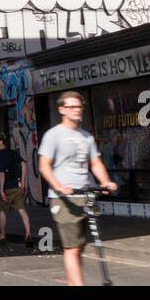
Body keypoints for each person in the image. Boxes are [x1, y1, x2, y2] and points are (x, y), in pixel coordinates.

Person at [38, 91, 118, 286]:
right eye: (72, 107)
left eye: (79, 106)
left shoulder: (86, 137)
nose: (77, 110)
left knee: (80, 246)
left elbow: (96, 164)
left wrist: (106, 182)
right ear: (62, 109)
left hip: (85, 196)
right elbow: (44, 166)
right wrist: (59, 187)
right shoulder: (53, 135)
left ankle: (73, 282)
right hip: (64, 199)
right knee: (72, 248)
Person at [0, 132, 32, 248]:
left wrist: (2, 189)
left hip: (7, 188)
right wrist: (23, 183)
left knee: (3, 211)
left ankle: (3, 236)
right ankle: (28, 235)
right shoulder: (13, 153)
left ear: (0, 141)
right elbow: (24, 164)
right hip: (18, 187)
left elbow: (1, 173)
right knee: (22, 210)